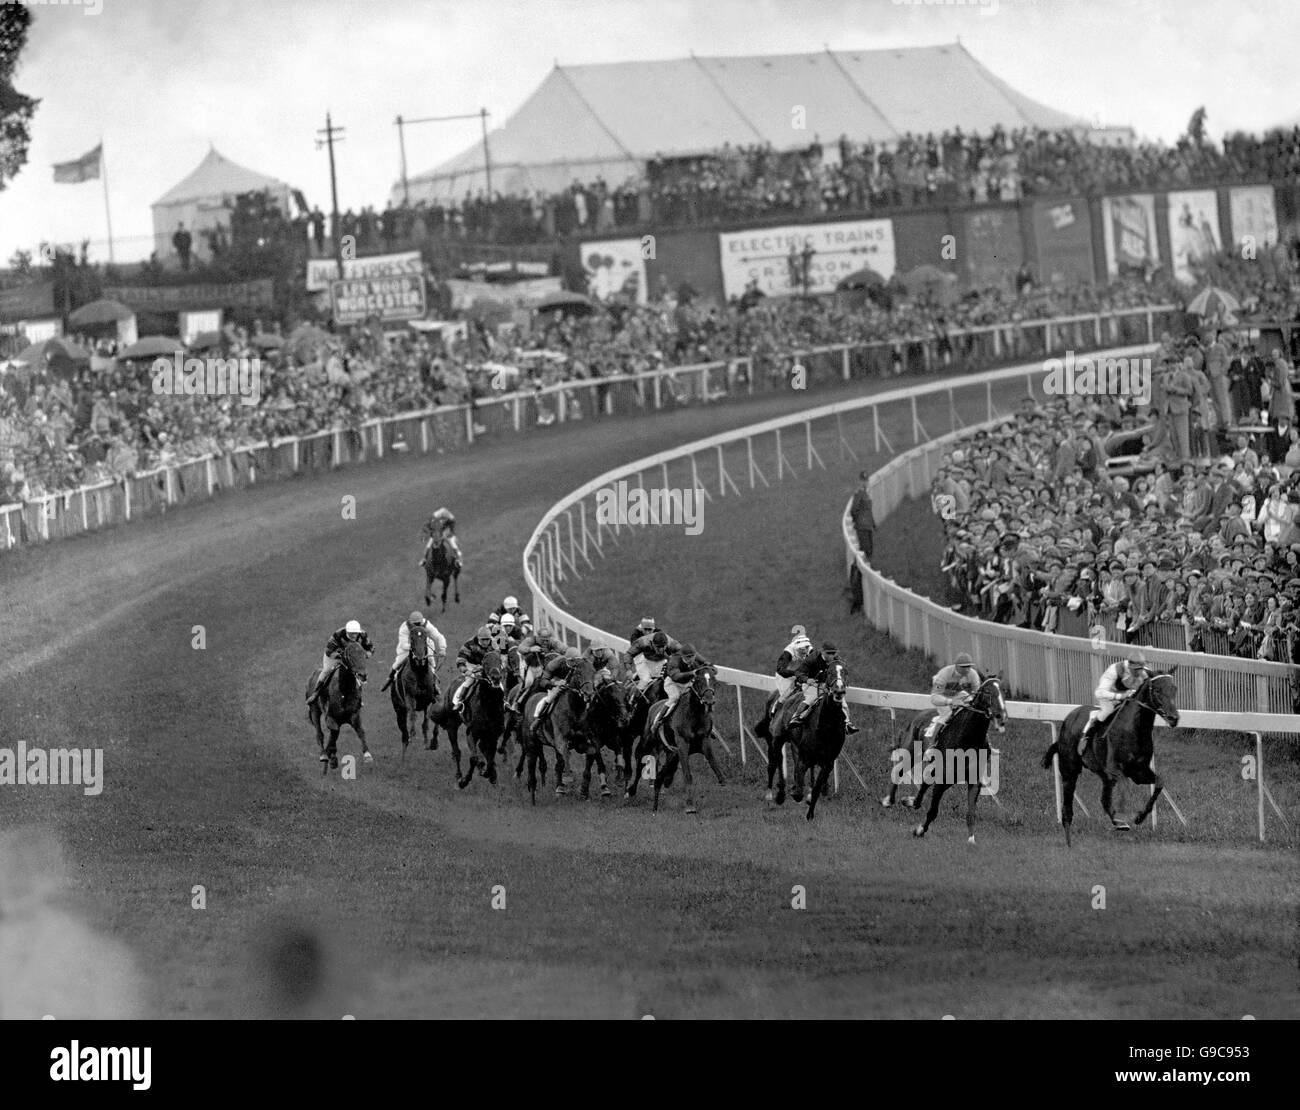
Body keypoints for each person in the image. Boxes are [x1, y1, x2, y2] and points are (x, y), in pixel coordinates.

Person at [1077, 652, 1150, 761]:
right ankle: (1088, 734)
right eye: (1137, 670)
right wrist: (1119, 696)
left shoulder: (1141, 671)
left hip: (1126, 694)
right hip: (1108, 695)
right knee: (1108, 710)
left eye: (1141, 669)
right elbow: (1099, 693)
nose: (1140, 672)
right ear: (1129, 666)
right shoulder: (1114, 670)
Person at [788, 641, 858, 733]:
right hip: (811, 683)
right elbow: (798, 672)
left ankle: (848, 723)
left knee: (842, 701)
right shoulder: (812, 659)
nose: (831, 656)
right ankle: (796, 717)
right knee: (811, 699)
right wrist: (807, 679)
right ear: (822, 651)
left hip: (827, 683)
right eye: (829, 653)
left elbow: (842, 671)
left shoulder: (837, 659)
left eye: (833, 653)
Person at [924, 651, 981, 746]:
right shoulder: (944, 673)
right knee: (948, 714)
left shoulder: (973, 674)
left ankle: (986, 744)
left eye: (969, 666)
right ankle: (932, 744)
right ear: (956, 666)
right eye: (964, 667)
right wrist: (950, 701)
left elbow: (977, 693)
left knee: (974, 713)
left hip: (958, 694)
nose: (967, 669)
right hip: (942, 696)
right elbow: (934, 697)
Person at [308, 619, 374, 702]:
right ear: (347, 632)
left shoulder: (363, 635)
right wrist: (341, 656)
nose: (354, 636)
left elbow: (371, 648)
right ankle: (316, 693)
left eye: (356, 633)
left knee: (360, 672)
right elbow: (329, 651)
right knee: (326, 670)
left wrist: (366, 654)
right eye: (351, 633)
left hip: (352, 657)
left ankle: (358, 699)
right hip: (335, 656)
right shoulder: (338, 635)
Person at [387, 610, 446, 689]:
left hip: (424, 645)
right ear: (411, 622)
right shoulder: (404, 628)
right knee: (398, 662)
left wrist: (442, 648)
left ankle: (434, 684)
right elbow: (404, 644)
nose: (417, 625)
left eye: (419, 623)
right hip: (408, 647)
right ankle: (392, 678)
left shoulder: (427, 625)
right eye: (415, 624)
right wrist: (415, 648)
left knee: (431, 660)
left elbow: (438, 636)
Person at [450, 625, 495, 719]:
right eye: (483, 640)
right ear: (478, 638)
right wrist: (465, 670)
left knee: (497, 682)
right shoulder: (469, 644)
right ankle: (459, 701)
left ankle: (504, 701)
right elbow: (461, 658)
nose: (486, 642)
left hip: (487, 667)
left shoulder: (494, 644)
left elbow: (498, 657)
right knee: (470, 681)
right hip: (471, 665)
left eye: (487, 640)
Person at [535, 646, 583, 721]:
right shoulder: (555, 663)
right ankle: (538, 719)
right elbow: (543, 681)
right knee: (550, 697)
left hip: (572, 686)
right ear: (566, 659)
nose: (575, 663)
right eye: (572, 661)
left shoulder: (581, 664)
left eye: (577, 660)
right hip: (555, 684)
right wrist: (555, 683)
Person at [850, 471, 876, 559]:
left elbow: (869, 511)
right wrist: (858, 521)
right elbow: (854, 510)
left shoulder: (866, 494)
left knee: (870, 550)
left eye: (866, 480)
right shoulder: (859, 494)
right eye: (863, 480)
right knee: (865, 550)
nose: (865, 483)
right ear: (859, 481)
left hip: (868, 526)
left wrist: (873, 523)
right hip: (862, 527)